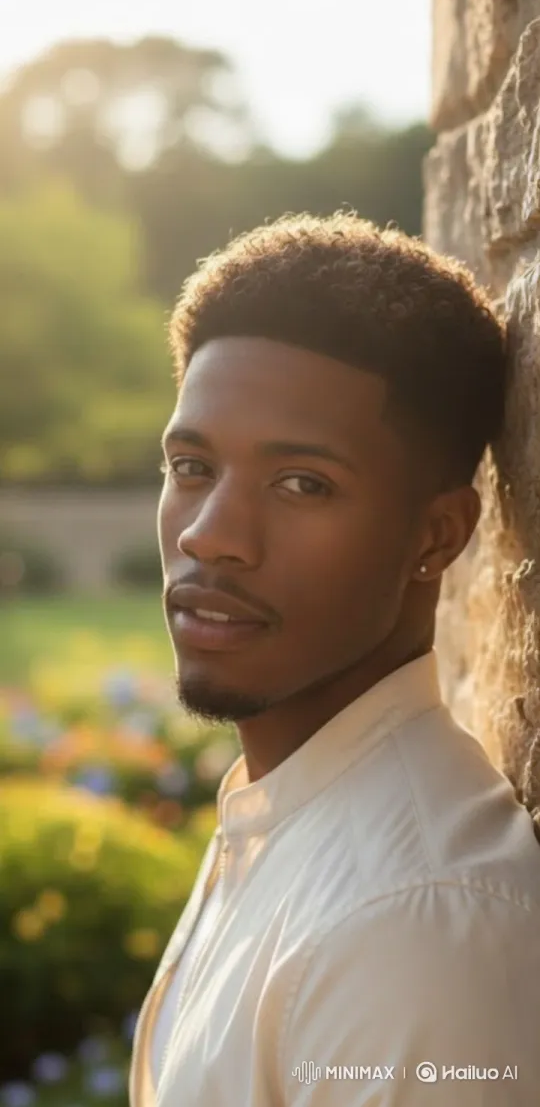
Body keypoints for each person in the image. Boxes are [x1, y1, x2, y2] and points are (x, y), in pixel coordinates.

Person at [128, 212, 540, 1106]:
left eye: (301, 483)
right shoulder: (292, 811)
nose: (210, 536)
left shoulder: (412, 928)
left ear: (437, 535)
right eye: (191, 465)